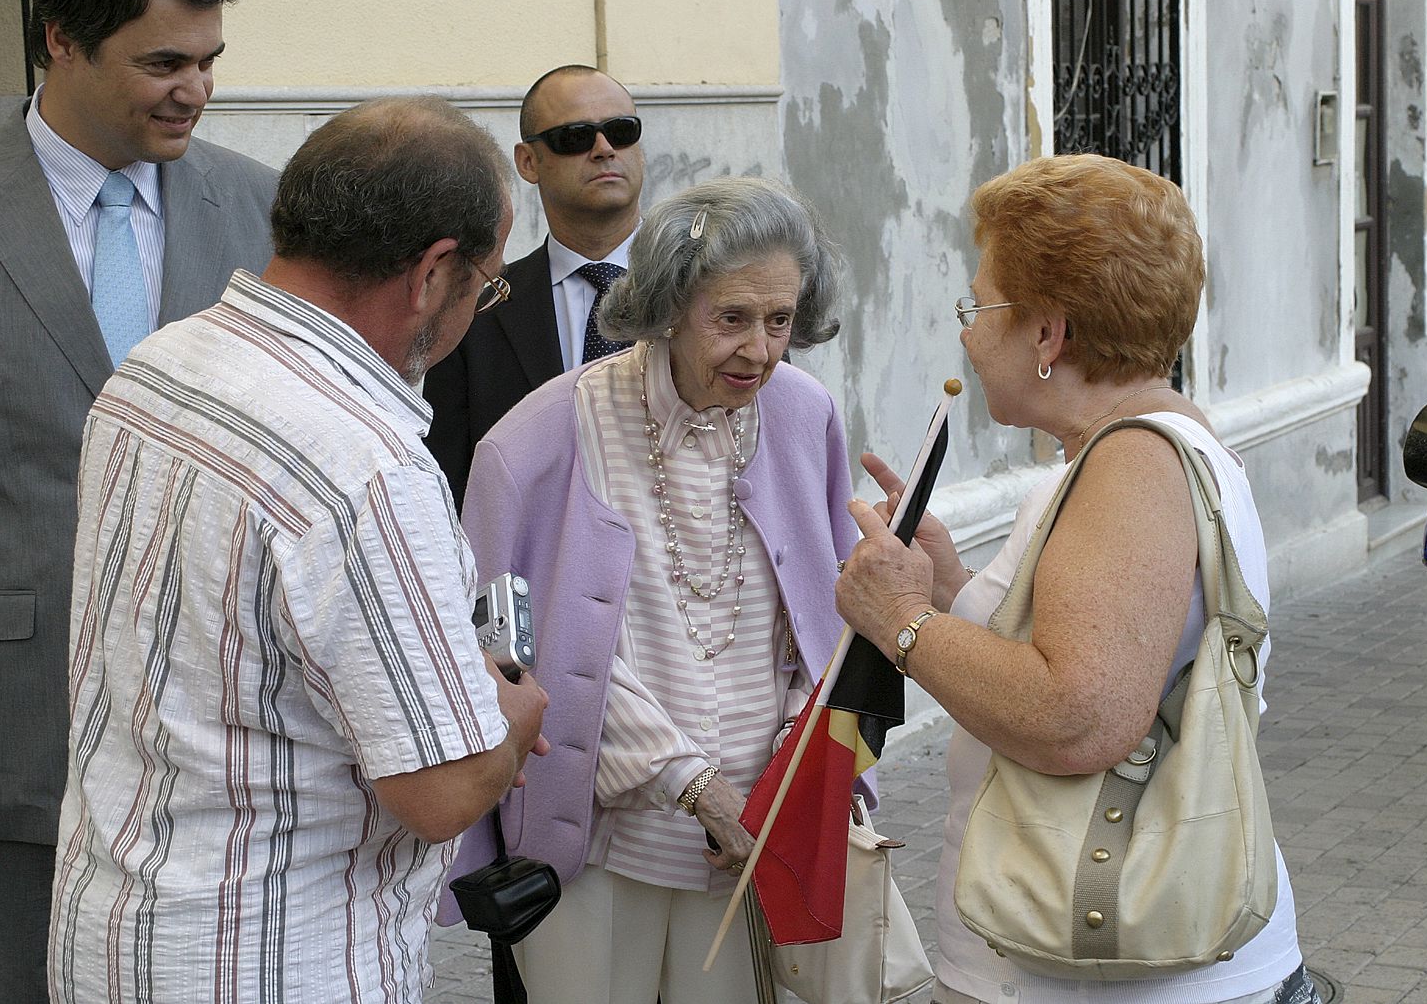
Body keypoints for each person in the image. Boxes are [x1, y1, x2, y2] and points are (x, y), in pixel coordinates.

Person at [47, 96, 549, 1003]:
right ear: (434, 274)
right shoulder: (367, 461)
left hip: (115, 933)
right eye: (487, 283)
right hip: (275, 956)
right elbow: (442, 788)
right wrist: (512, 718)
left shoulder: (156, 365)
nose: (479, 302)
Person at [0, 0, 276, 1000]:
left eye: (207, 60)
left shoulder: (262, 212)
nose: (194, 90)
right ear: (62, 39)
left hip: (232, 733)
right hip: (18, 735)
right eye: (161, 64)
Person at [835, 154, 1317, 1004]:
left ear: (1049, 334)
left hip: (1108, 974)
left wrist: (903, 620)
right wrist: (950, 584)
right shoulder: (1137, 447)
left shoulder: (1132, 464)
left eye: (979, 307)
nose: (968, 333)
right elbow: (1095, 646)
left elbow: (1076, 714)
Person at [437, 176, 865, 1003]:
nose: (762, 350)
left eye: (780, 320)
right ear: (670, 303)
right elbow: (517, 652)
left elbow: (821, 620)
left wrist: (787, 774)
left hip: (751, 841)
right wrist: (698, 788)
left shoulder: (804, 414)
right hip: (601, 842)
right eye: (732, 318)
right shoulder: (542, 436)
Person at [424, 64, 645, 506]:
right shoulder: (475, 306)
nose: (604, 149)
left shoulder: (712, 293)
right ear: (528, 161)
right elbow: (451, 479)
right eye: (575, 137)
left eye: (621, 131)